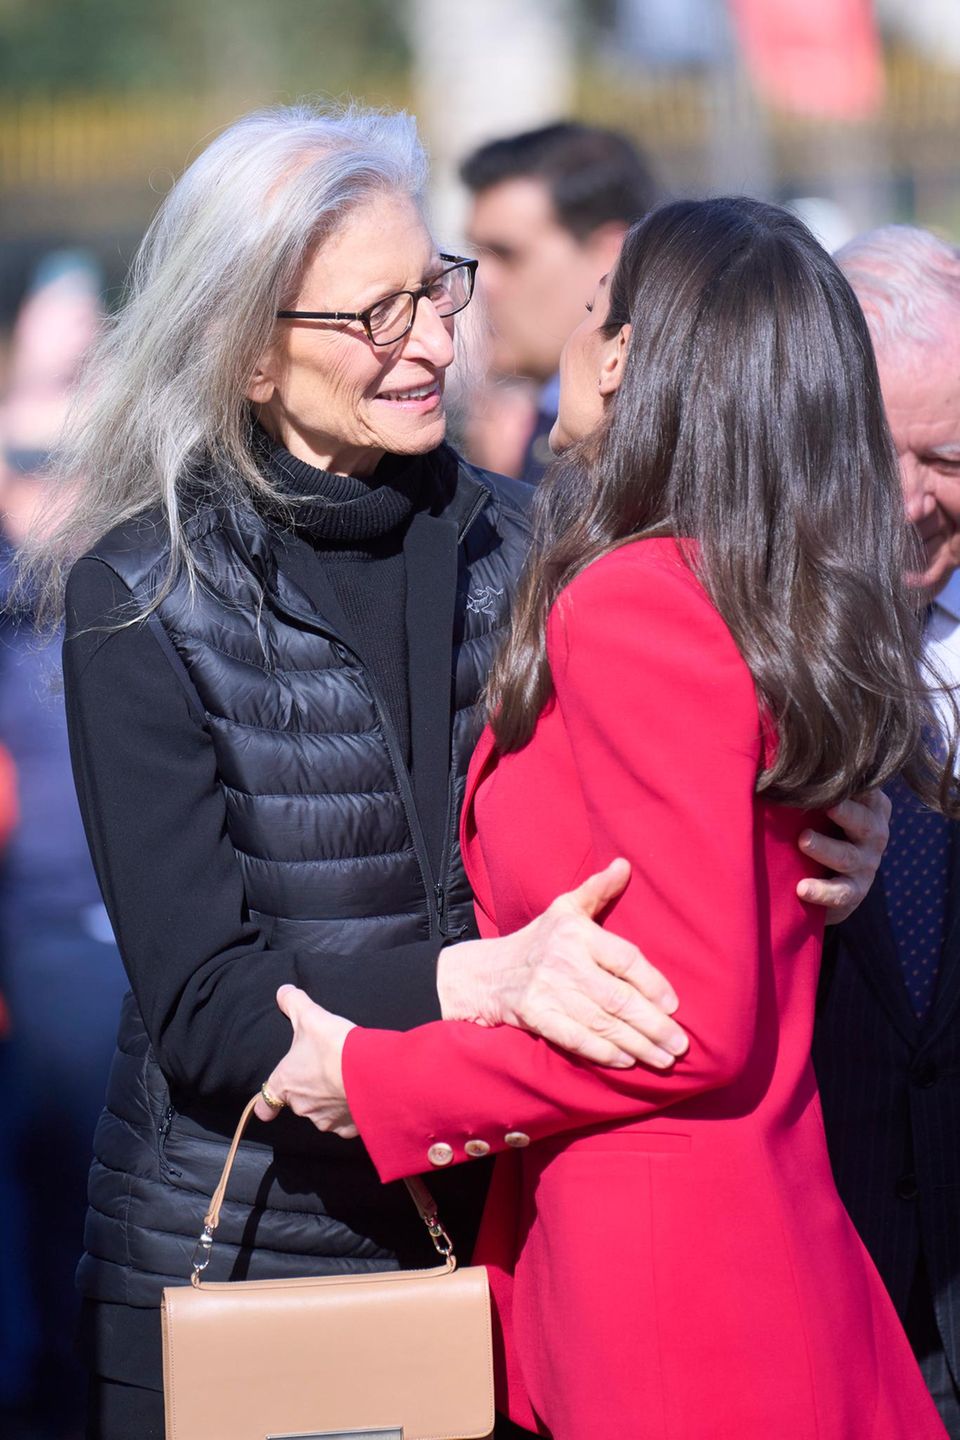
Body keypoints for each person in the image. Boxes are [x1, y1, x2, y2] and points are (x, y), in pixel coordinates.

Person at [25, 105, 881, 1439]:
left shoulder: (534, 540)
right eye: (377, 314)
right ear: (250, 353)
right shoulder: (141, 593)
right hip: (258, 1257)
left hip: (510, 1254)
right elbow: (209, 1009)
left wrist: (835, 825)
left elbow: (697, 777)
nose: (433, 340)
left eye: (435, 288)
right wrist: (480, 978)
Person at [257, 197, 951, 1439]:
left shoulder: (642, 602)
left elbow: (691, 1023)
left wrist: (379, 1078)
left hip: (675, 1299)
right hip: (730, 1260)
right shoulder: (765, 589)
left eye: (593, 309)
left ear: (627, 353)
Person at [813, 225, 960, 1437]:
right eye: (879, 451)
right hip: (825, 1283)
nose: (914, 499)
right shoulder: (722, 623)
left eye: (953, 452)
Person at [460, 122, 657, 482]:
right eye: (477, 255)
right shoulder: (539, 424)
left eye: (507, 254)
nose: (481, 283)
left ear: (612, 255)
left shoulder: (651, 438)